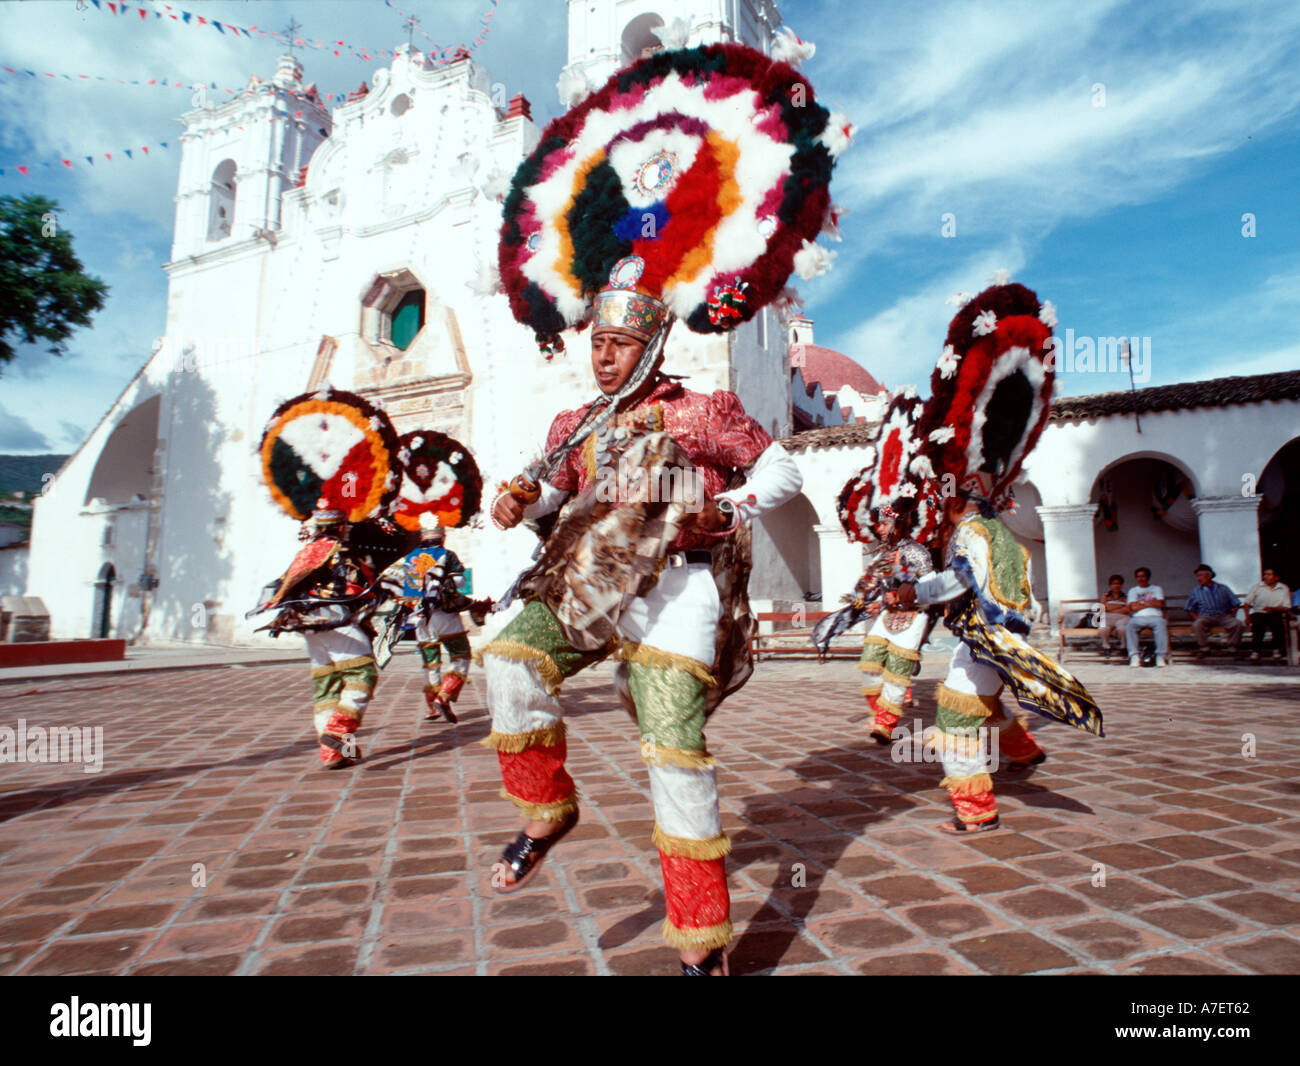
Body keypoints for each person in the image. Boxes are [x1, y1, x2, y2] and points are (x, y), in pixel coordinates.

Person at [484, 39, 848, 975]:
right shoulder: (574, 423)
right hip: (583, 584)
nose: (602, 358)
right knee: (510, 665)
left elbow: (784, 476)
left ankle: (702, 946)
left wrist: (723, 514)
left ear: (648, 341)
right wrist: (519, 500)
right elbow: (548, 508)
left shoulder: (701, 412)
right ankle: (547, 806)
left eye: (618, 345)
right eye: (595, 345)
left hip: (679, 595)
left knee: (672, 755)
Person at [900, 279, 1102, 834]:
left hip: (991, 640)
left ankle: (975, 811)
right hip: (1004, 639)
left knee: (956, 715)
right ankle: (1023, 753)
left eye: (949, 492)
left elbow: (959, 583)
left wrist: (910, 593)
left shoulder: (971, 533)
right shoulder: (1003, 531)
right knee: (982, 700)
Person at [1185, 564, 1243, 658]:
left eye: (1201, 575)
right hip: (1206, 617)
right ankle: (1205, 649)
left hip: (1223, 616)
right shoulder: (1196, 591)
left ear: (1209, 576)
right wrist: (1196, 617)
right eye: (1197, 576)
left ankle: (1232, 649)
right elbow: (1189, 608)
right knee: (1197, 624)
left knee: (1237, 624)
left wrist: (1233, 614)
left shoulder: (1223, 588)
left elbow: (1236, 603)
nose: (1198, 578)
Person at [1243, 567, 1291, 661]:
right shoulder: (1257, 587)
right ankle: (1256, 651)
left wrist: (1273, 608)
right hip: (1259, 612)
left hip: (1275, 612)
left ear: (1276, 577)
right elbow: (1247, 603)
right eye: (1265, 574)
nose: (1265, 577)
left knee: (1277, 623)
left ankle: (1277, 650)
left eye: (1269, 574)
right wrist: (1247, 617)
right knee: (1257, 624)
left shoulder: (1283, 588)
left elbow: (1287, 606)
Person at [1125, 567, 1169, 667]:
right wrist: (1150, 602)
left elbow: (1160, 603)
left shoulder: (1156, 589)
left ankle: (1160, 656)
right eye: (1138, 577)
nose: (1141, 579)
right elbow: (1132, 607)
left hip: (1155, 616)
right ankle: (1134, 656)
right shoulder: (1133, 591)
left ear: (1148, 577)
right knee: (1130, 626)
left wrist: (1141, 603)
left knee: (1161, 625)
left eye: (1143, 576)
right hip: (1138, 618)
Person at [1098, 573, 1129, 658]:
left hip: (1122, 618)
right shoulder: (1105, 595)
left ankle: (1123, 647)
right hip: (1108, 617)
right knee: (1103, 628)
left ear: (1121, 585)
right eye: (1114, 584)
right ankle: (1106, 647)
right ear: (1110, 585)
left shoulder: (1126, 596)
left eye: (1118, 583)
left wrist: (1111, 607)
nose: (1116, 586)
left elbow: (1127, 609)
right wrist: (1120, 606)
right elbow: (1103, 607)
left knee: (1123, 629)